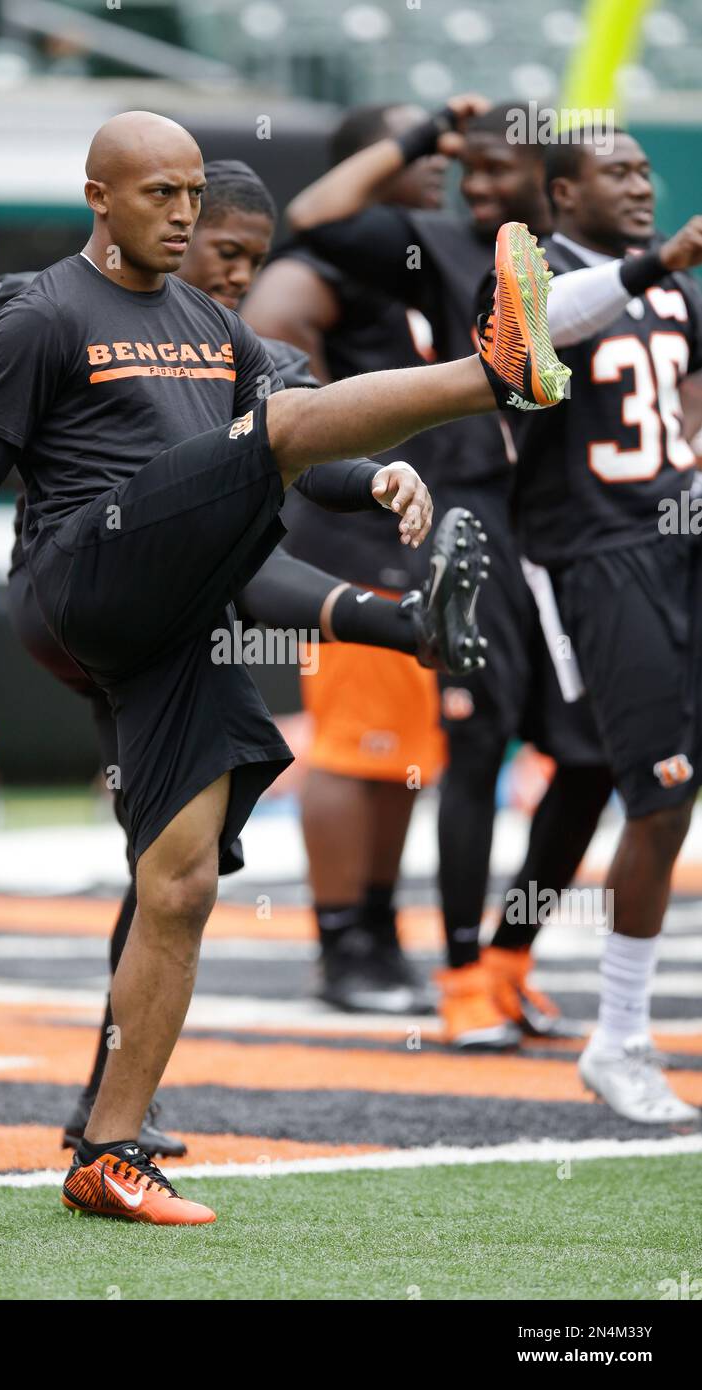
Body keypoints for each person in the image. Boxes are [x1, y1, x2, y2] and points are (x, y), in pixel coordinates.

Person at [0, 110, 567, 1225]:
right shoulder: (40, 314)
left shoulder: (215, 327)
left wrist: (369, 482)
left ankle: (108, 1149)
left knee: (181, 884)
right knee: (268, 436)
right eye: (157, 195)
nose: (181, 214)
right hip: (76, 575)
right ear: (98, 197)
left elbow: (307, 445)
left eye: (189, 194)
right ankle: (490, 375)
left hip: (172, 616)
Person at [285, 101, 619, 1048]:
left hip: (580, 532)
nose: (467, 180)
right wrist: (421, 129)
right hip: (455, 521)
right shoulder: (428, 242)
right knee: (437, 750)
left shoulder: (606, 255)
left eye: (489, 166)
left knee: (590, 754)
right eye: (454, 162)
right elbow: (309, 226)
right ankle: (445, 966)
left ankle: (506, 959)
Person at [506, 133, 702, 1122]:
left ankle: (625, 1033)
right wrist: (659, 260)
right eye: (617, 173)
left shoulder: (677, 289)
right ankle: (620, 1037)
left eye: (645, 171)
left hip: (679, 541)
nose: (641, 185)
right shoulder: (532, 272)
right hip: (594, 556)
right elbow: (535, 339)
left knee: (680, 790)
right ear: (563, 191)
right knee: (657, 790)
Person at [244, 105, 449, 1014]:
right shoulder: (315, 266)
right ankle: (340, 943)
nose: (439, 163)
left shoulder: (418, 261)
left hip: (411, 529)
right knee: (349, 751)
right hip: (352, 534)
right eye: (415, 148)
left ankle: (376, 925)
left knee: (404, 754)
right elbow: (273, 364)